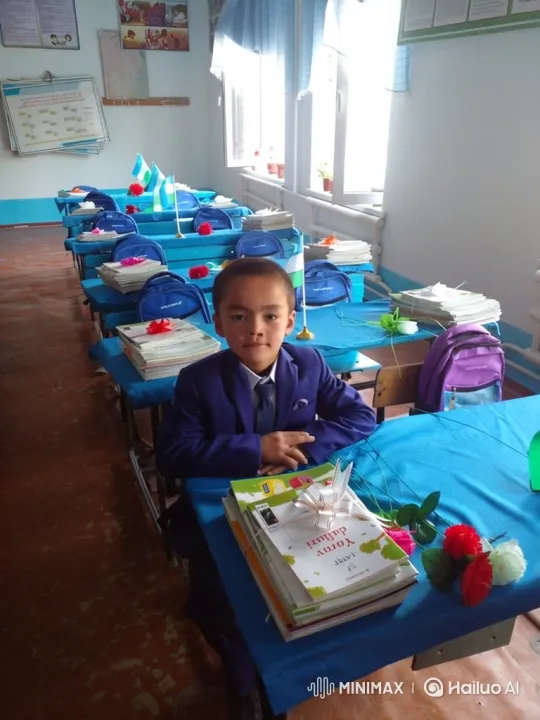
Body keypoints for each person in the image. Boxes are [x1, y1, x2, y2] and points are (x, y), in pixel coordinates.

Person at [156, 257, 377, 717]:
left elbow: (360, 416)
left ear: (290, 320)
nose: (256, 329)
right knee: (225, 603)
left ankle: (298, 664)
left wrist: (306, 451)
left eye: (271, 315)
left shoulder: (310, 363)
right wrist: (256, 447)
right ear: (217, 322)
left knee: (312, 589)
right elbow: (174, 454)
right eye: (238, 316)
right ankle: (242, 680)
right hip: (219, 513)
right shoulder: (198, 381)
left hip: (294, 507)